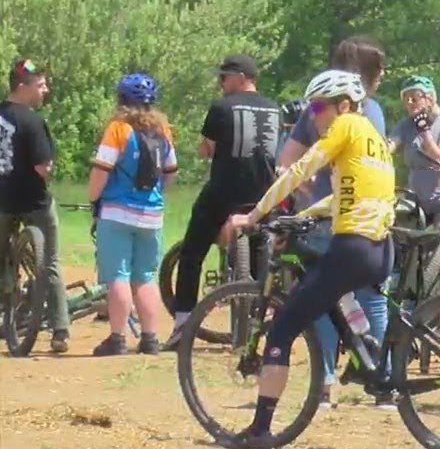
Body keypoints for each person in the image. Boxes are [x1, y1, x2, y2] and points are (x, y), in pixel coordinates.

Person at [221, 69, 396, 449]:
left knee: (283, 328)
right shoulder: (372, 140)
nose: (312, 114)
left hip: (354, 246)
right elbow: (344, 199)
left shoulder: (346, 126)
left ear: (344, 105)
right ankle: (367, 355)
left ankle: (261, 429)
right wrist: (304, 216)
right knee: (328, 283)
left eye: (318, 106)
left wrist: (254, 214)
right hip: (379, 248)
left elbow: (301, 167)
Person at [277, 36, 391, 409]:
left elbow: (286, 158)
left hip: (328, 216)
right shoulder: (369, 110)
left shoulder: (318, 108)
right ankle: (382, 378)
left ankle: (324, 379)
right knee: (372, 298)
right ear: (370, 76)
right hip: (362, 217)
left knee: (325, 301)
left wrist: (299, 184)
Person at [166, 55, 278, 348]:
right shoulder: (274, 108)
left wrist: (204, 148)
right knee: (260, 261)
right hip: (261, 196)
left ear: (240, 77)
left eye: (223, 78)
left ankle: (182, 324)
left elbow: (207, 149)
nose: (220, 84)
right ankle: (258, 326)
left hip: (224, 191)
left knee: (192, 253)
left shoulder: (220, 107)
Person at [87, 73, 178, 356]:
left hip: (117, 212)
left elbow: (101, 171)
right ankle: (150, 339)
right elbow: (171, 172)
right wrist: (156, 195)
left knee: (118, 276)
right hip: (151, 215)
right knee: (145, 277)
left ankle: (117, 338)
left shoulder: (117, 129)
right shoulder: (163, 130)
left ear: (121, 100)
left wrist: (92, 198)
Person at [0, 58, 71, 353]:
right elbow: (43, 168)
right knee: (50, 263)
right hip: (34, 201)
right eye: (40, 85)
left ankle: (9, 302)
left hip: (3, 200)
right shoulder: (32, 121)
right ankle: (60, 331)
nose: (45, 90)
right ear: (22, 87)